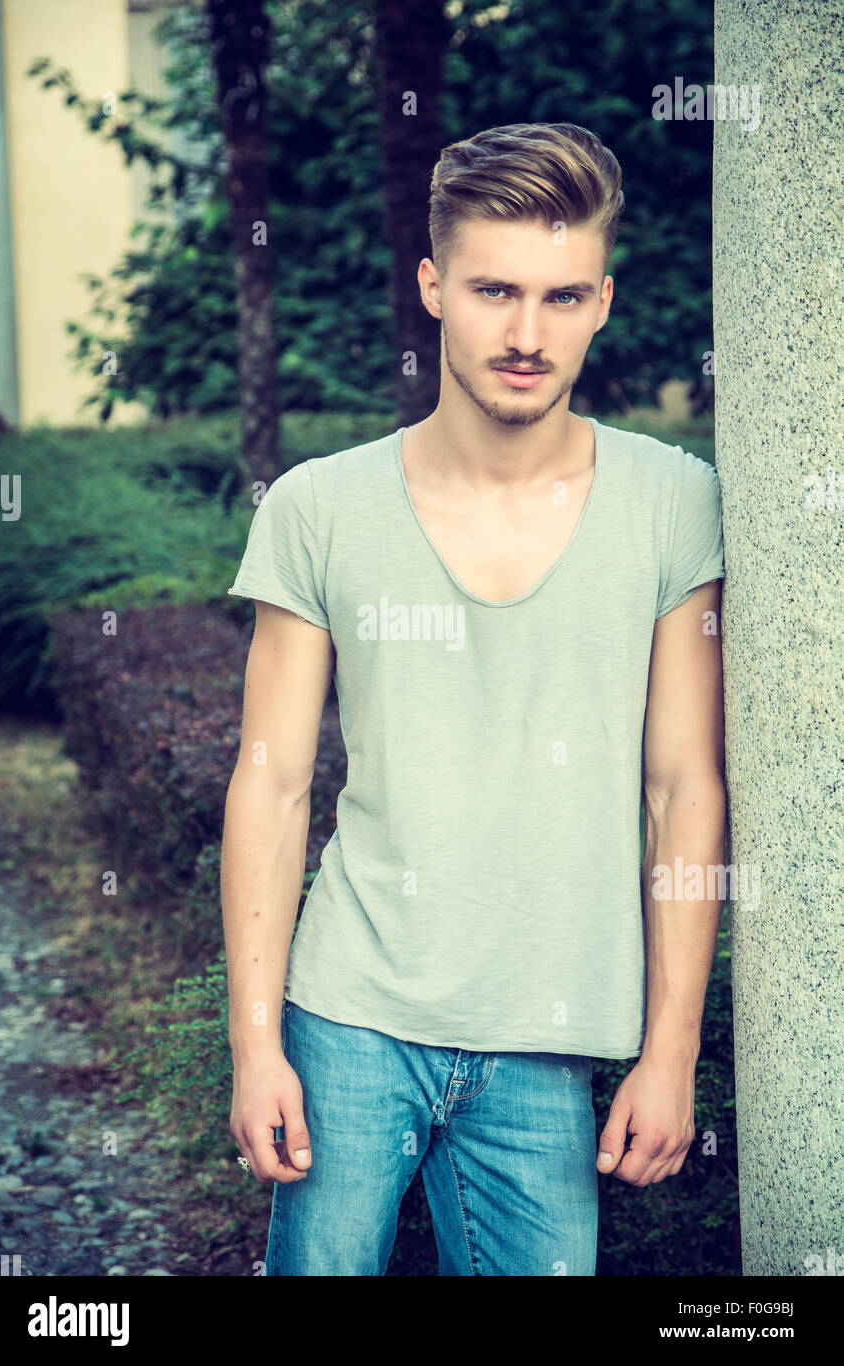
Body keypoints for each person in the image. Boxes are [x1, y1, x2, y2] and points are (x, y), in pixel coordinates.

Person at [221, 121, 727, 1276]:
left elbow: (681, 788)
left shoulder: (669, 501)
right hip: (351, 1009)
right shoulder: (319, 508)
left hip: (551, 1032)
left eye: (559, 297)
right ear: (433, 287)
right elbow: (272, 781)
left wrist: (668, 1049)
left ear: (601, 300)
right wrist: (256, 1044)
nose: (523, 333)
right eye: (494, 290)